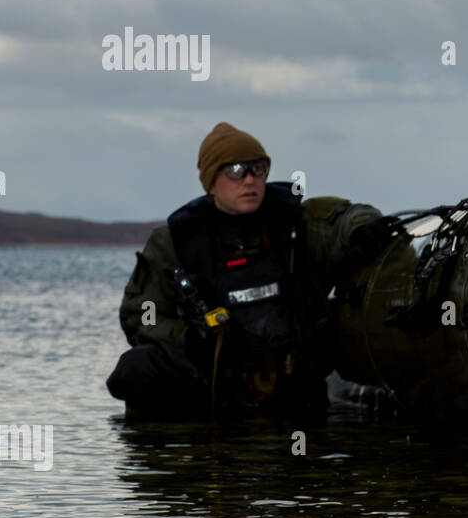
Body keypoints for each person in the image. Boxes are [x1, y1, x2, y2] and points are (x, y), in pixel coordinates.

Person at [106, 122, 397, 420]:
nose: (249, 180)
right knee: (135, 369)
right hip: (215, 383)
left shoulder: (296, 223)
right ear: (211, 181)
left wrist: (362, 229)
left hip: (293, 378)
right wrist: (192, 341)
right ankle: (175, 450)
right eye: (235, 171)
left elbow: (348, 217)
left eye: (258, 169)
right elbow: (140, 315)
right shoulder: (175, 241)